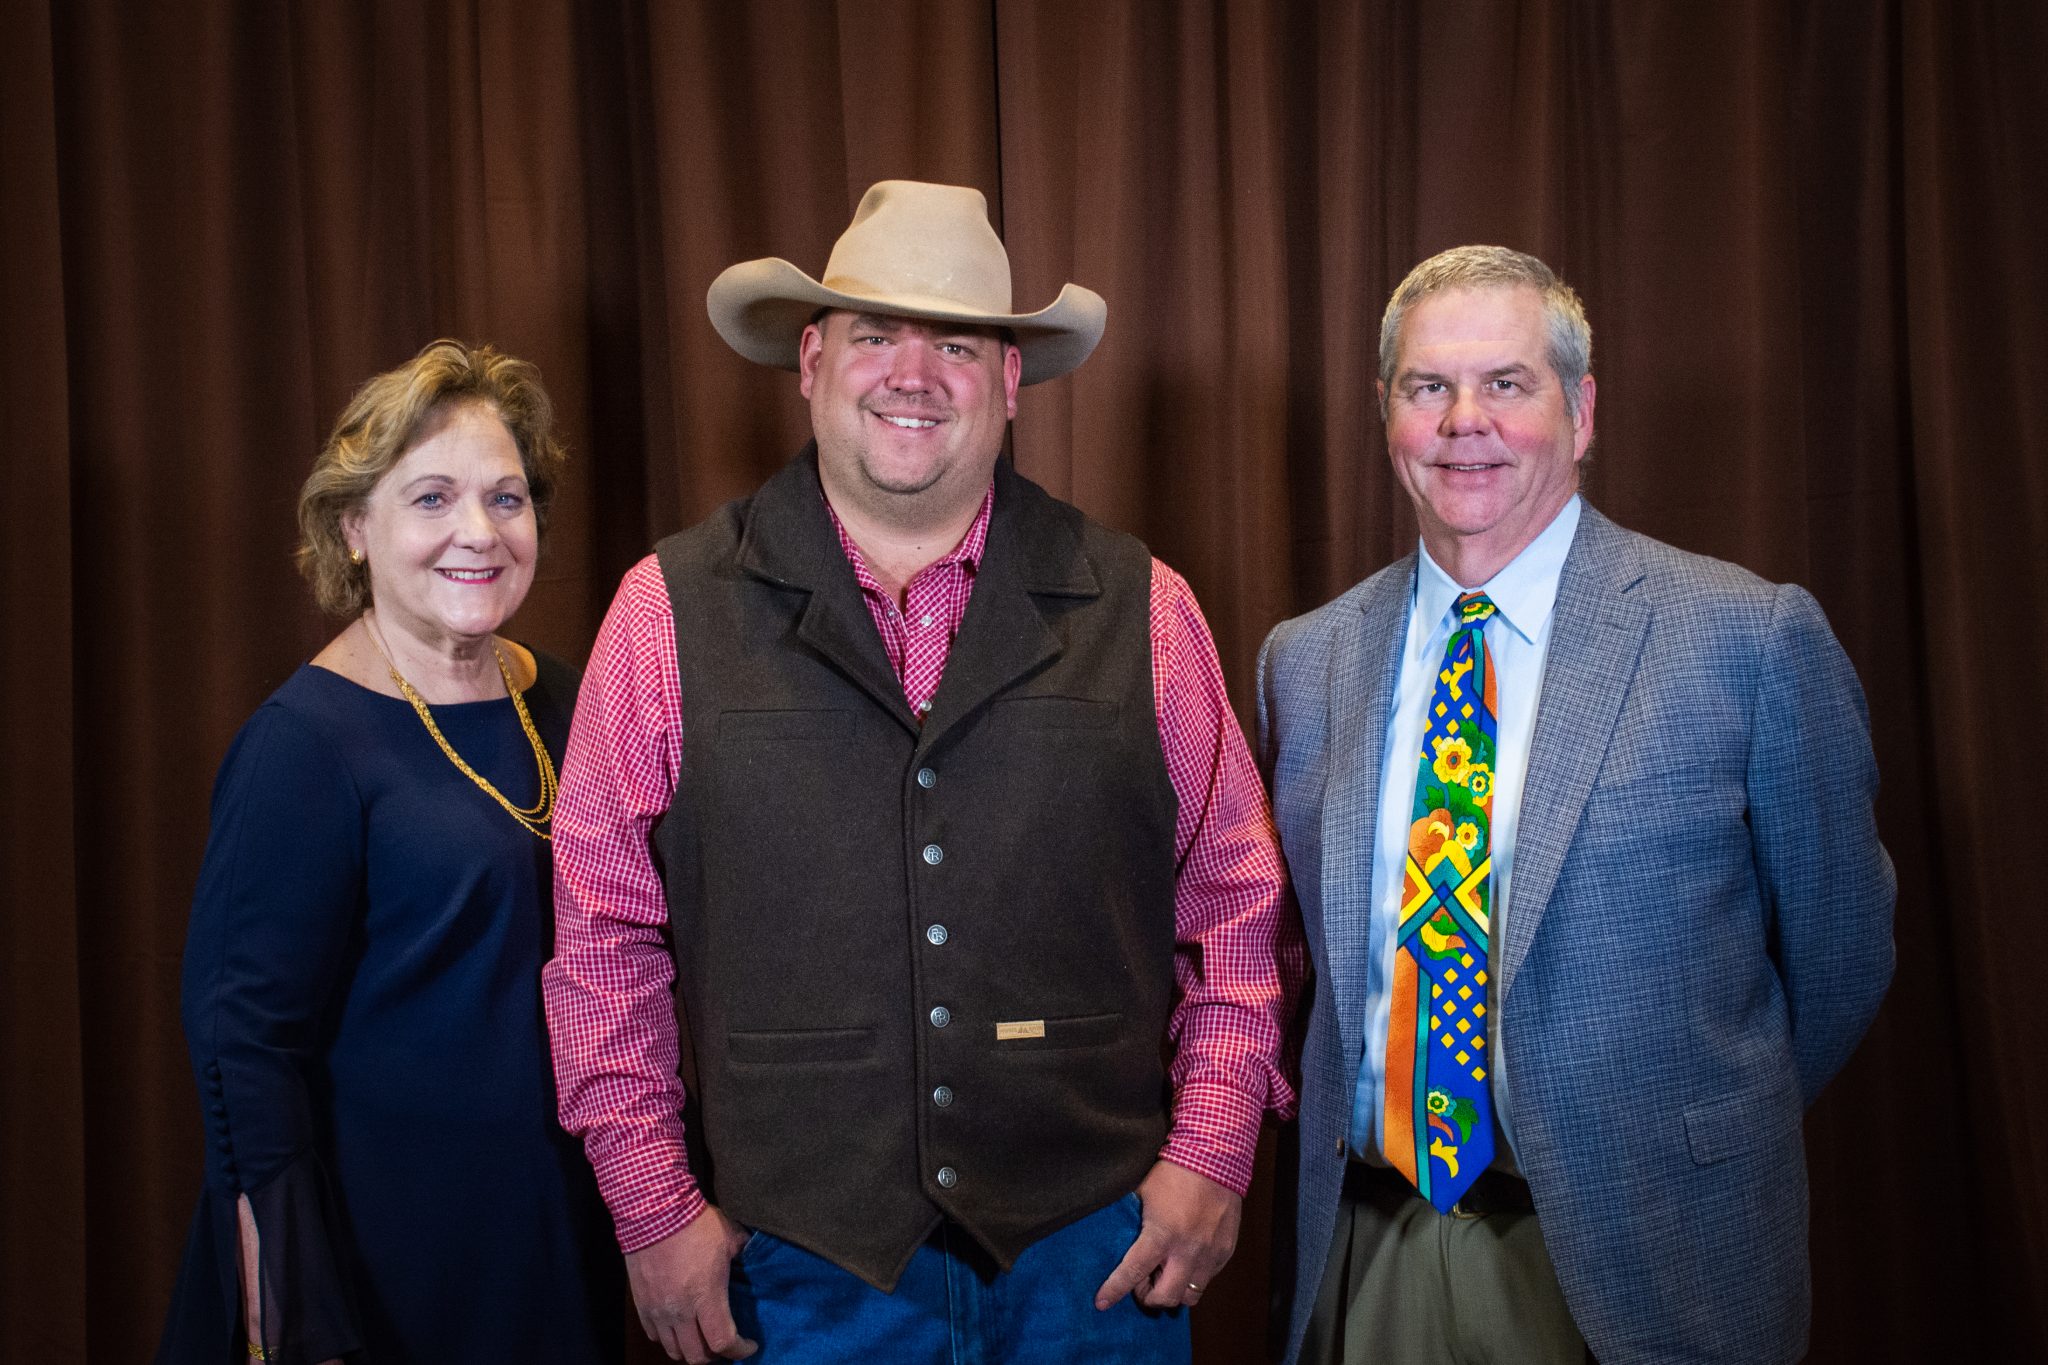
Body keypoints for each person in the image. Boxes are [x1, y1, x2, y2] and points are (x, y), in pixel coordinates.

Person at [543, 180, 1302, 1364]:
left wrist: (1208, 1149)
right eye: (874, 336)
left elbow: (1235, 903)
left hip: (1093, 1265)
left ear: (1008, 382)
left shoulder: (1145, 605)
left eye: (956, 343)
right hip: (790, 1271)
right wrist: (649, 1204)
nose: (914, 373)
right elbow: (603, 937)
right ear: (808, 359)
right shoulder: (664, 613)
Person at [1258, 246, 1895, 1364]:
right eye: (1426, 388)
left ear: (1580, 411)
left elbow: (1837, 960)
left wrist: (1671, 1129)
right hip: (1374, 1245)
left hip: (1647, 1257)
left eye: (1507, 383)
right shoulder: (1303, 661)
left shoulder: (1742, 638)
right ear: (1385, 413)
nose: (1466, 421)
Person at [155, 340, 622, 1363]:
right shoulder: (302, 745)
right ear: (353, 528)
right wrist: (298, 1304)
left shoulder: (556, 689)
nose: (478, 532)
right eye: (431, 499)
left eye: (507, 498)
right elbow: (243, 1052)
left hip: (545, 1232)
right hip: (385, 1262)